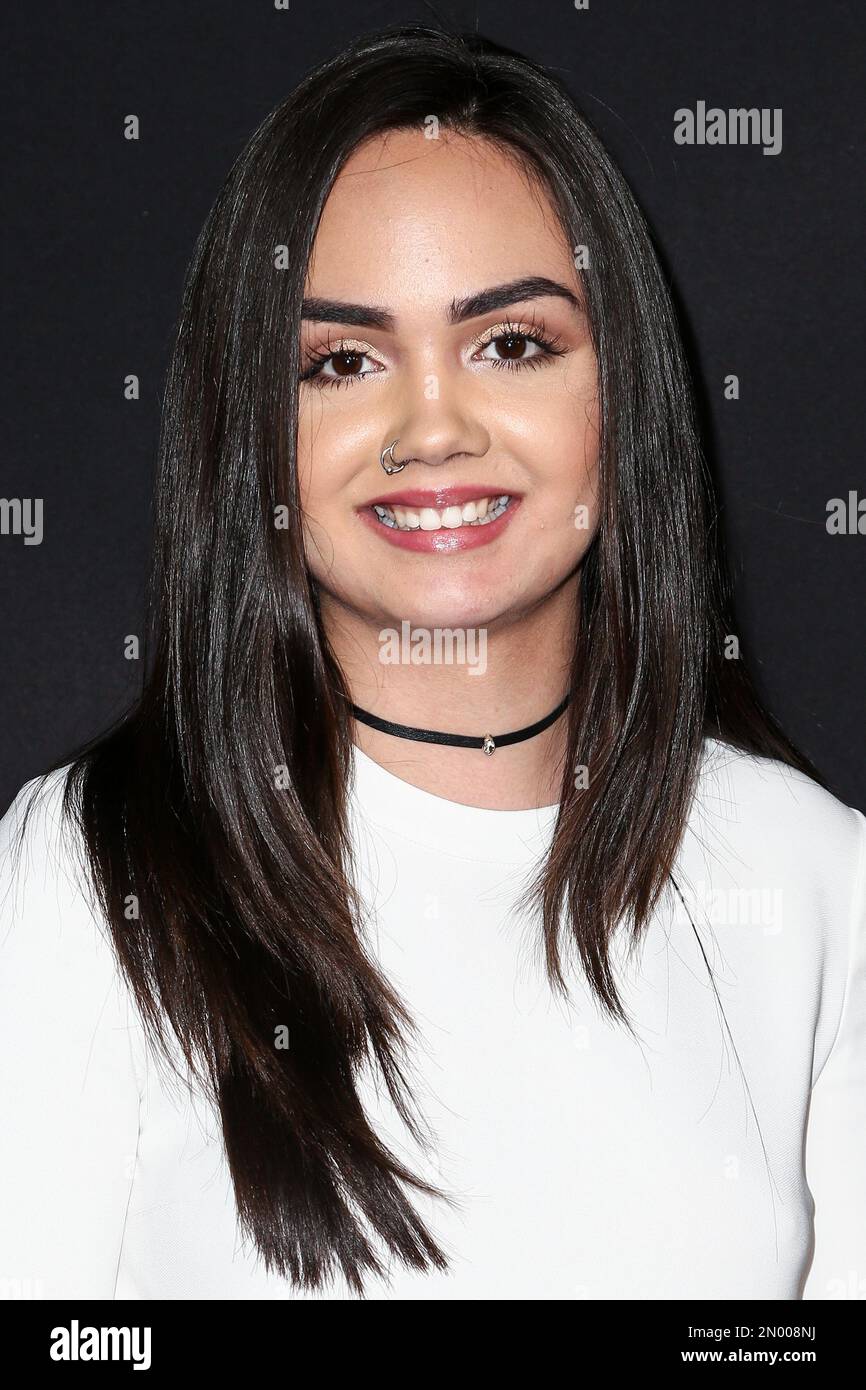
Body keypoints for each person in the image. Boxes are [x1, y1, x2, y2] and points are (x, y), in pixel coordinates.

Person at [0, 24, 863, 1301]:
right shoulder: (91, 867)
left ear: (621, 391)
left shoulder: (815, 874)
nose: (431, 428)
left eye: (509, 343)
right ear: (255, 431)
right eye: (341, 361)